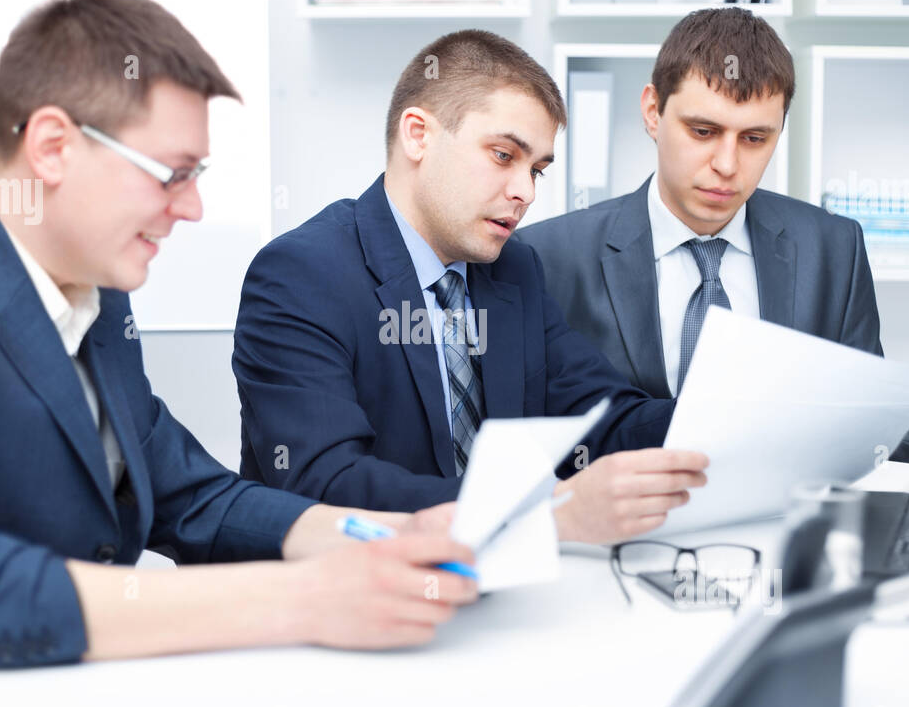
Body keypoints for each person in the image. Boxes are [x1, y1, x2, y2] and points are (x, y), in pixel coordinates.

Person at [0, 0, 477, 673]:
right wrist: (303, 598)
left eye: (197, 175)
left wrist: (375, 535)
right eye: (172, 174)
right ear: (52, 147)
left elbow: (189, 495)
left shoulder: (96, 284)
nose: (194, 207)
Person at [518, 7, 909, 479]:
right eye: (703, 131)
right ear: (653, 112)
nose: (727, 165)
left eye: (754, 138)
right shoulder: (548, 256)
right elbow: (539, 439)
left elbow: (868, 424)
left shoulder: (834, 249)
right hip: (615, 544)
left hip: (783, 539)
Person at [233, 30, 708, 545]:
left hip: (491, 587)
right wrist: (545, 512)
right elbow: (325, 485)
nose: (525, 192)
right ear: (418, 135)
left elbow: (603, 417)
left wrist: (727, 417)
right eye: (504, 156)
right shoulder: (300, 273)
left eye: (537, 171)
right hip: (342, 597)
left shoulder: (514, 268)